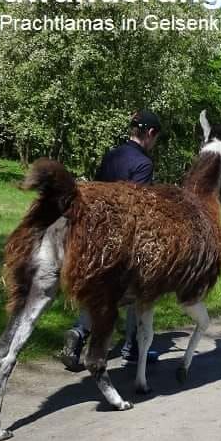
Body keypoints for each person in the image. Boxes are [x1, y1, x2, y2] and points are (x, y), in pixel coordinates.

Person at [59, 110, 161, 370]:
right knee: (138, 288)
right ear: (150, 133)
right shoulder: (143, 164)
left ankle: (79, 332)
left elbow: (95, 192)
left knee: (97, 288)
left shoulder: (111, 155)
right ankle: (131, 347)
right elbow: (137, 207)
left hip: (96, 232)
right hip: (123, 237)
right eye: (155, 138)